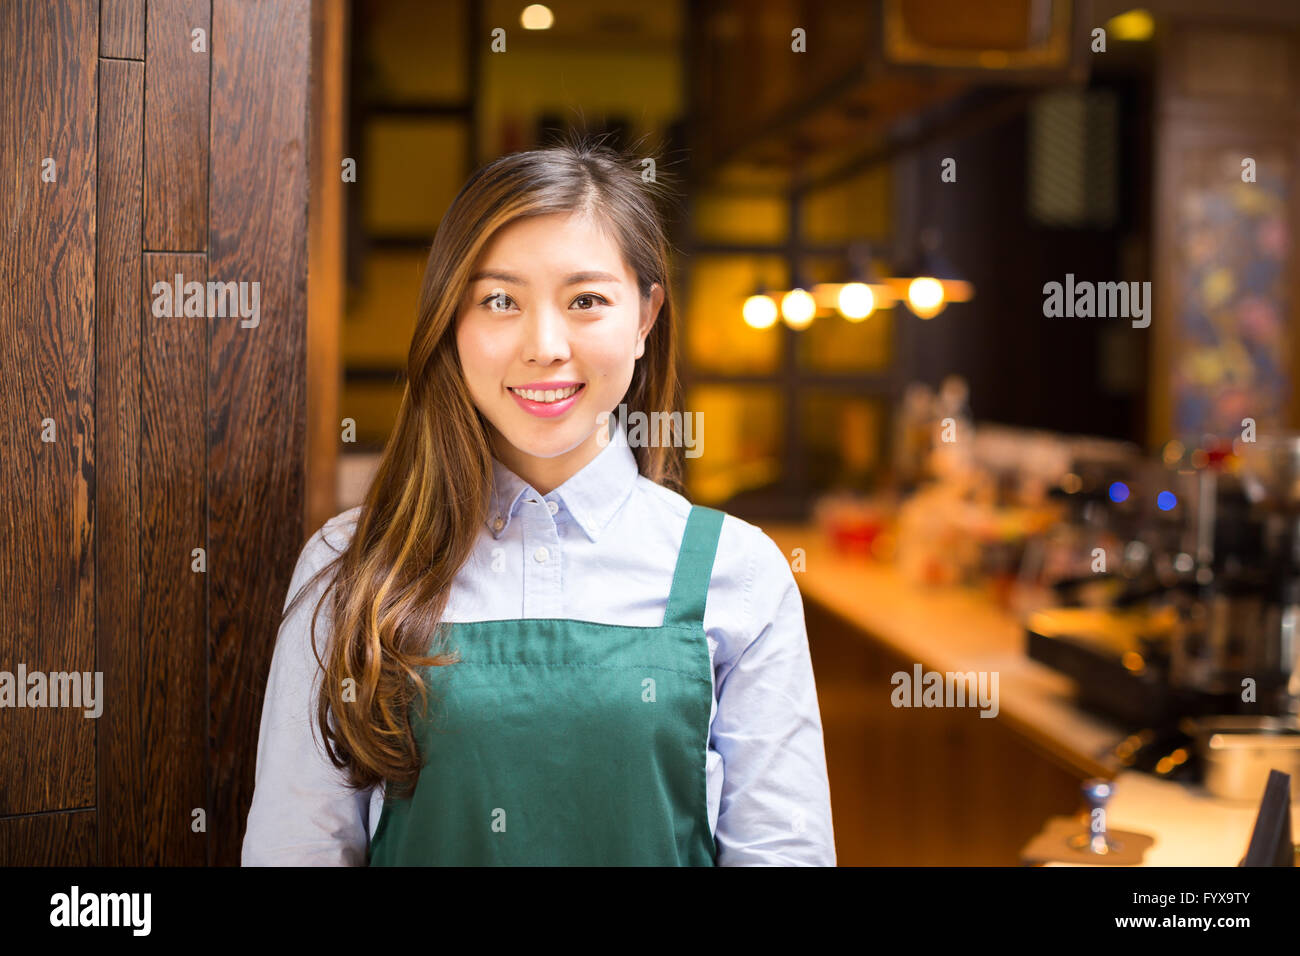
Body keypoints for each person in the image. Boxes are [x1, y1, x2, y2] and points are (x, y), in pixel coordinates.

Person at [241, 136, 836, 866]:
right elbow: (296, 849)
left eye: (586, 300)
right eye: (499, 300)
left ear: (646, 317)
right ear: (450, 322)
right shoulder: (351, 563)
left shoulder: (738, 571)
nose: (545, 344)